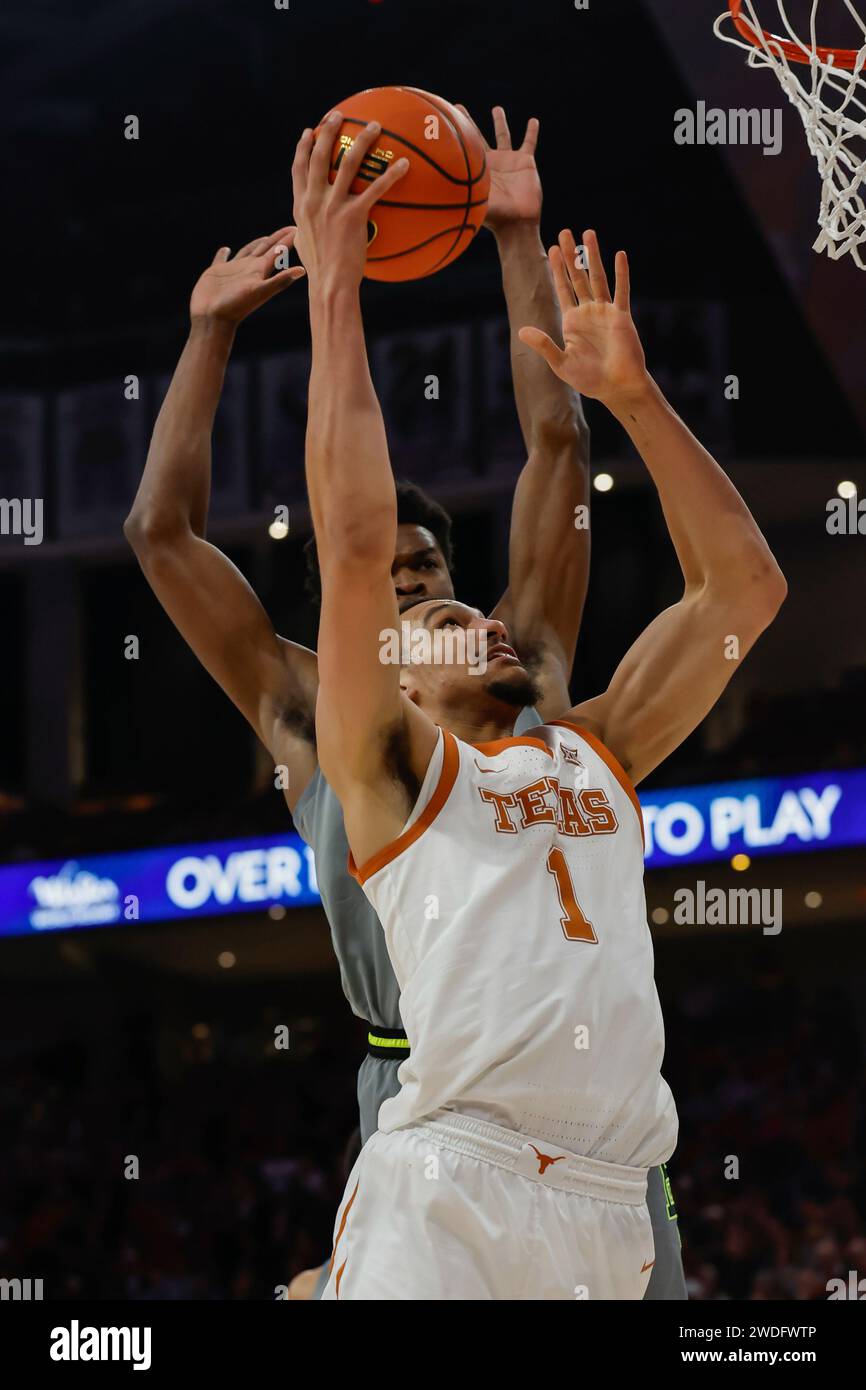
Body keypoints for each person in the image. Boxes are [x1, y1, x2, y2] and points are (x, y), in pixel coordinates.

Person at [292, 114, 786, 1298]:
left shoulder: (593, 750)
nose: (482, 615)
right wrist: (334, 293)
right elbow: (356, 544)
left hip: (612, 1202)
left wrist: (634, 396)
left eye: (480, 609)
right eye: (442, 619)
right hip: (452, 1179)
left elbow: (744, 589)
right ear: (394, 678)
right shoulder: (390, 773)